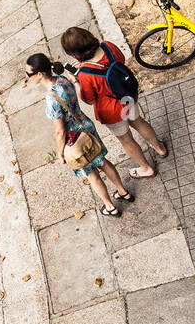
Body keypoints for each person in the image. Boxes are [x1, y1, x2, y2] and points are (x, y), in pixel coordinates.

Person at [25, 53, 132, 217]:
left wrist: (60, 154)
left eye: (29, 74)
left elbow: (60, 131)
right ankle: (123, 191)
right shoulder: (62, 80)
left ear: (39, 74)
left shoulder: (51, 99)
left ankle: (110, 206)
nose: (27, 77)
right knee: (102, 161)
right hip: (86, 126)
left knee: (91, 174)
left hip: (74, 139)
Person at [61, 26, 167, 178]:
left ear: (75, 53)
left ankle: (145, 168)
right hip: (126, 97)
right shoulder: (108, 46)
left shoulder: (85, 74)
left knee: (126, 139)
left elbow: (88, 99)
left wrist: (76, 81)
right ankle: (159, 147)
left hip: (111, 111)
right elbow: (121, 60)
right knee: (139, 122)